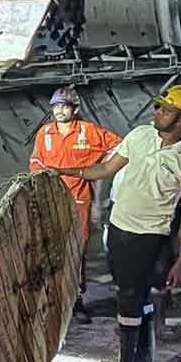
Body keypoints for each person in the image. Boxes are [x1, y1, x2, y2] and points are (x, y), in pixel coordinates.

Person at [44, 84, 181, 362]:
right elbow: (106, 168)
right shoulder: (139, 136)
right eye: (158, 107)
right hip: (118, 228)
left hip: (149, 236)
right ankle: (144, 356)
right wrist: (64, 171)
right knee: (134, 293)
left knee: (129, 297)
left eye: (166, 110)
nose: (157, 113)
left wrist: (180, 258)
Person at [28, 86, 122, 323]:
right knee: (50, 248)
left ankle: (77, 299)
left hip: (79, 200)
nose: (59, 111)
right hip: (49, 199)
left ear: (75, 108)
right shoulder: (45, 133)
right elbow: (36, 161)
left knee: (76, 251)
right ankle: (52, 298)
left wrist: (100, 169)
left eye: (64, 106)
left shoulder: (88, 132)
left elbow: (120, 146)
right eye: (56, 106)